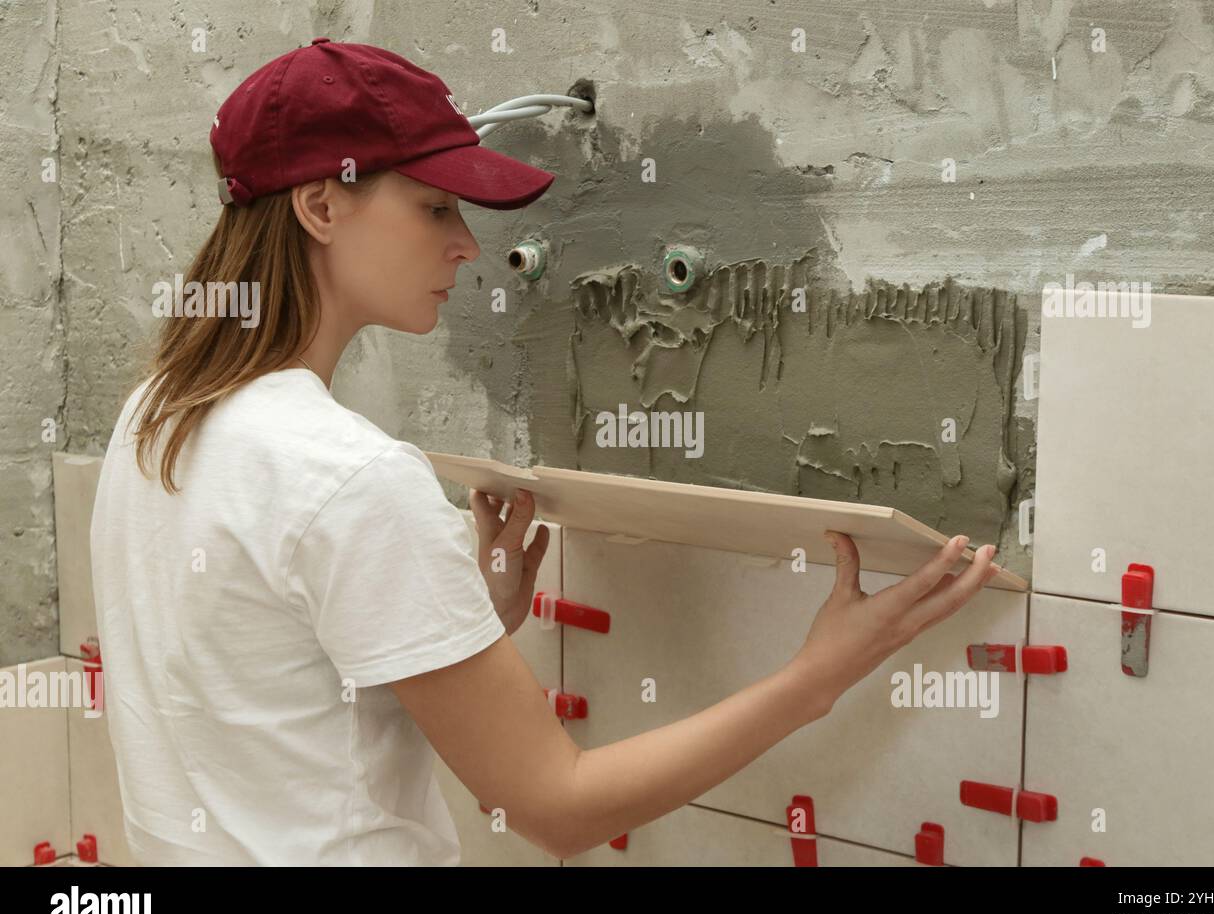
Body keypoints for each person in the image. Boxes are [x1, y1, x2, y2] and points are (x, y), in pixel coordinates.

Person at [88, 38, 1000, 866]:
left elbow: (261, 693)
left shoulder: (156, 420)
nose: (464, 246)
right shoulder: (350, 478)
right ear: (321, 205)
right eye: (435, 207)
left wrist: (449, 620)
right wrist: (817, 677)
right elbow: (560, 810)